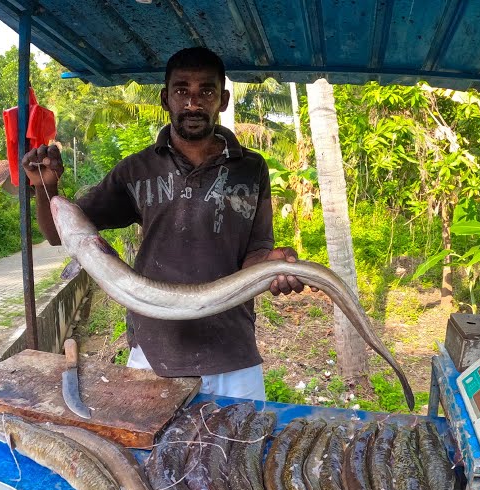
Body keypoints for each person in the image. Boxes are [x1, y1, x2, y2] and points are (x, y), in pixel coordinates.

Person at [23, 47, 304, 402]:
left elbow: (257, 249)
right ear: (165, 98)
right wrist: (45, 188)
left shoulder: (251, 167)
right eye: (181, 90)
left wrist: (272, 267)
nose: (193, 102)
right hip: (154, 351)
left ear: (223, 100)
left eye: (206, 91)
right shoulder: (136, 169)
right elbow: (58, 235)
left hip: (232, 350)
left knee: (241, 437)